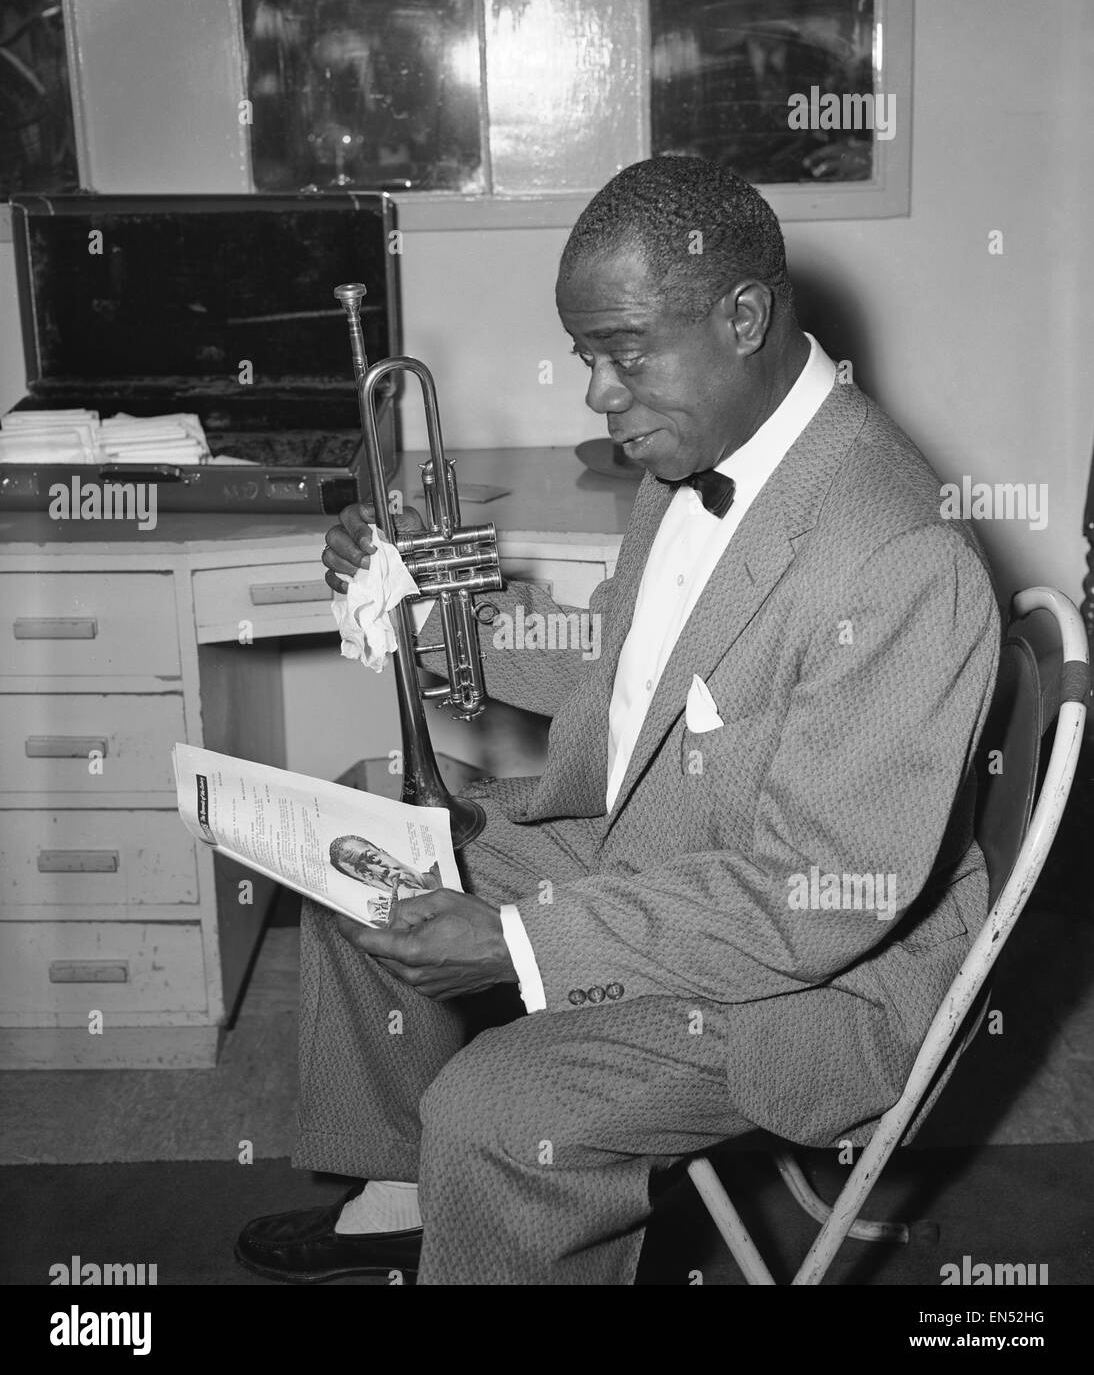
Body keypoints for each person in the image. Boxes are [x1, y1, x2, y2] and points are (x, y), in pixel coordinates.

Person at [235, 156, 1000, 1286]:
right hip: (668, 843)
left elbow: (815, 899)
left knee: (496, 1110)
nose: (596, 392)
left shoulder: (894, 557)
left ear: (742, 316)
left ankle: (471, 1182)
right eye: (589, 356)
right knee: (361, 829)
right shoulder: (693, 457)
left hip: (813, 981)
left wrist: (518, 945)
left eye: (624, 352)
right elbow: (625, 666)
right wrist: (422, 599)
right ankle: (404, 1198)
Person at [328, 834, 442, 897]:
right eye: (364, 872)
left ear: (384, 852)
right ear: (366, 883)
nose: (380, 871)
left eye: (372, 858)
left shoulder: (442, 869)